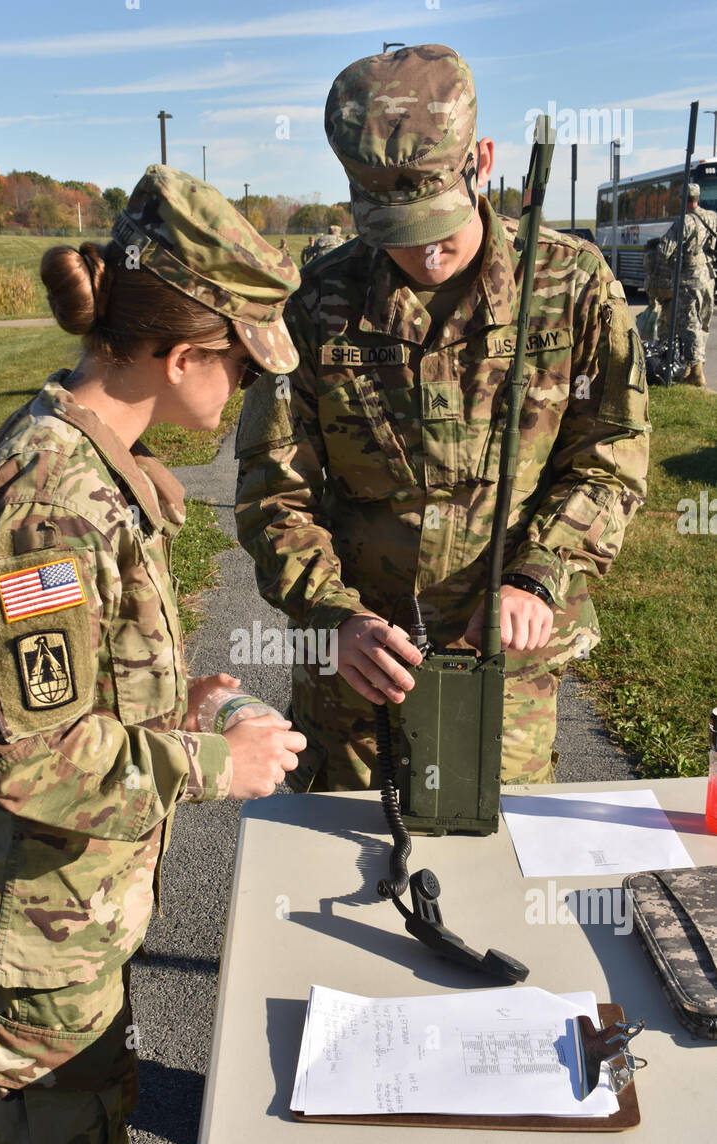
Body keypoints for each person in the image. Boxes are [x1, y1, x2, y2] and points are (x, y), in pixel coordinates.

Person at [0, 165, 306, 1144]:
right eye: (244, 360)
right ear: (180, 359)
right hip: (13, 940)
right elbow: (30, 758)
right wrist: (217, 764)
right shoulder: (53, 508)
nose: (252, 387)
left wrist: (194, 698)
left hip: (57, 927)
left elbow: (77, 696)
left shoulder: (91, 462)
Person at [234, 44, 649, 793]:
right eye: (397, 232)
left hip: (504, 672)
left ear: (482, 161)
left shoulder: (571, 287)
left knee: (491, 877)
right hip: (357, 677)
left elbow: (610, 455)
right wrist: (334, 617)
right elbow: (275, 494)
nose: (424, 256)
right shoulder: (317, 307)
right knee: (335, 877)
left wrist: (539, 576)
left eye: (439, 226)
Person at [655, 181, 717, 387]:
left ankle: (696, 372)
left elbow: (664, 251)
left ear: (682, 200)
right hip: (708, 279)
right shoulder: (712, 217)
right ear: (697, 198)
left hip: (688, 281)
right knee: (702, 324)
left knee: (689, 325)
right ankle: (691, 365)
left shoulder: (684, 222)